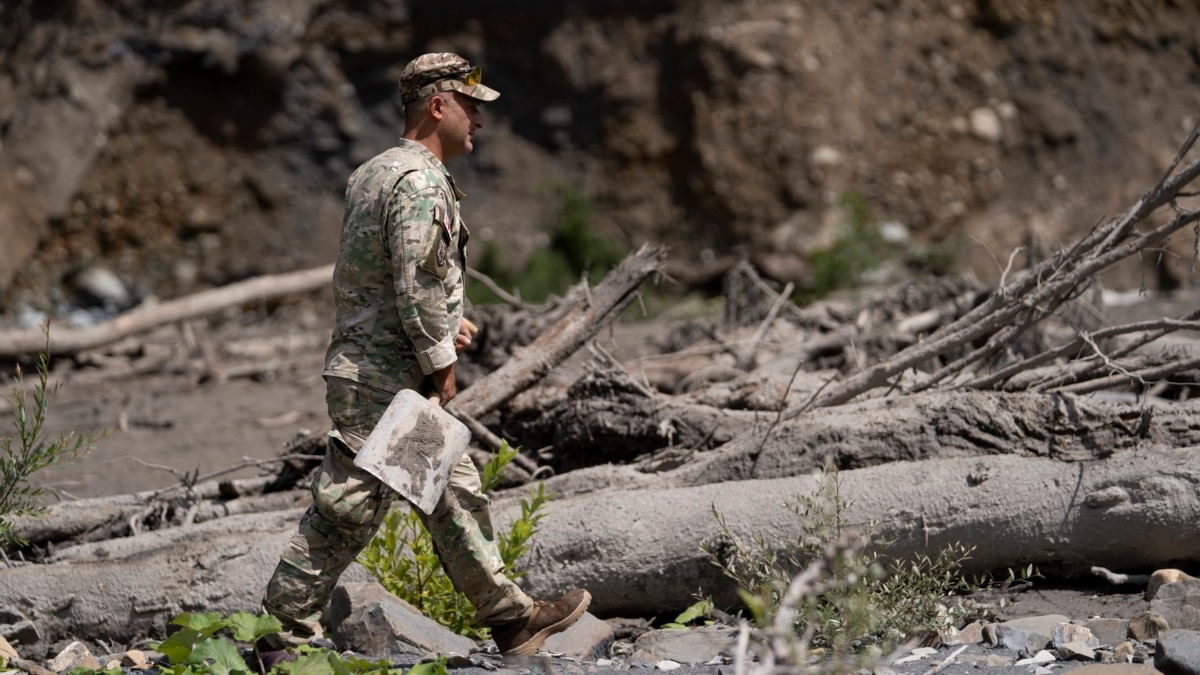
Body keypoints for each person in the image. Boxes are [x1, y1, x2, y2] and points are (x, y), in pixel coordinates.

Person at [261, 52, 591, 657]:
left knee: (453, 491)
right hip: (384, 381)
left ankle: (512, 620)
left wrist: (445, 320)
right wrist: (443, 366)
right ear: (438, 106)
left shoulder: (373, 172)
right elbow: (415, 284)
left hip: (376, 368)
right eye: (470, 107)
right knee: (349, 510)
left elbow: (380, 275)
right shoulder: (420, 182)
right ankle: (278, 636)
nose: (479, 121)